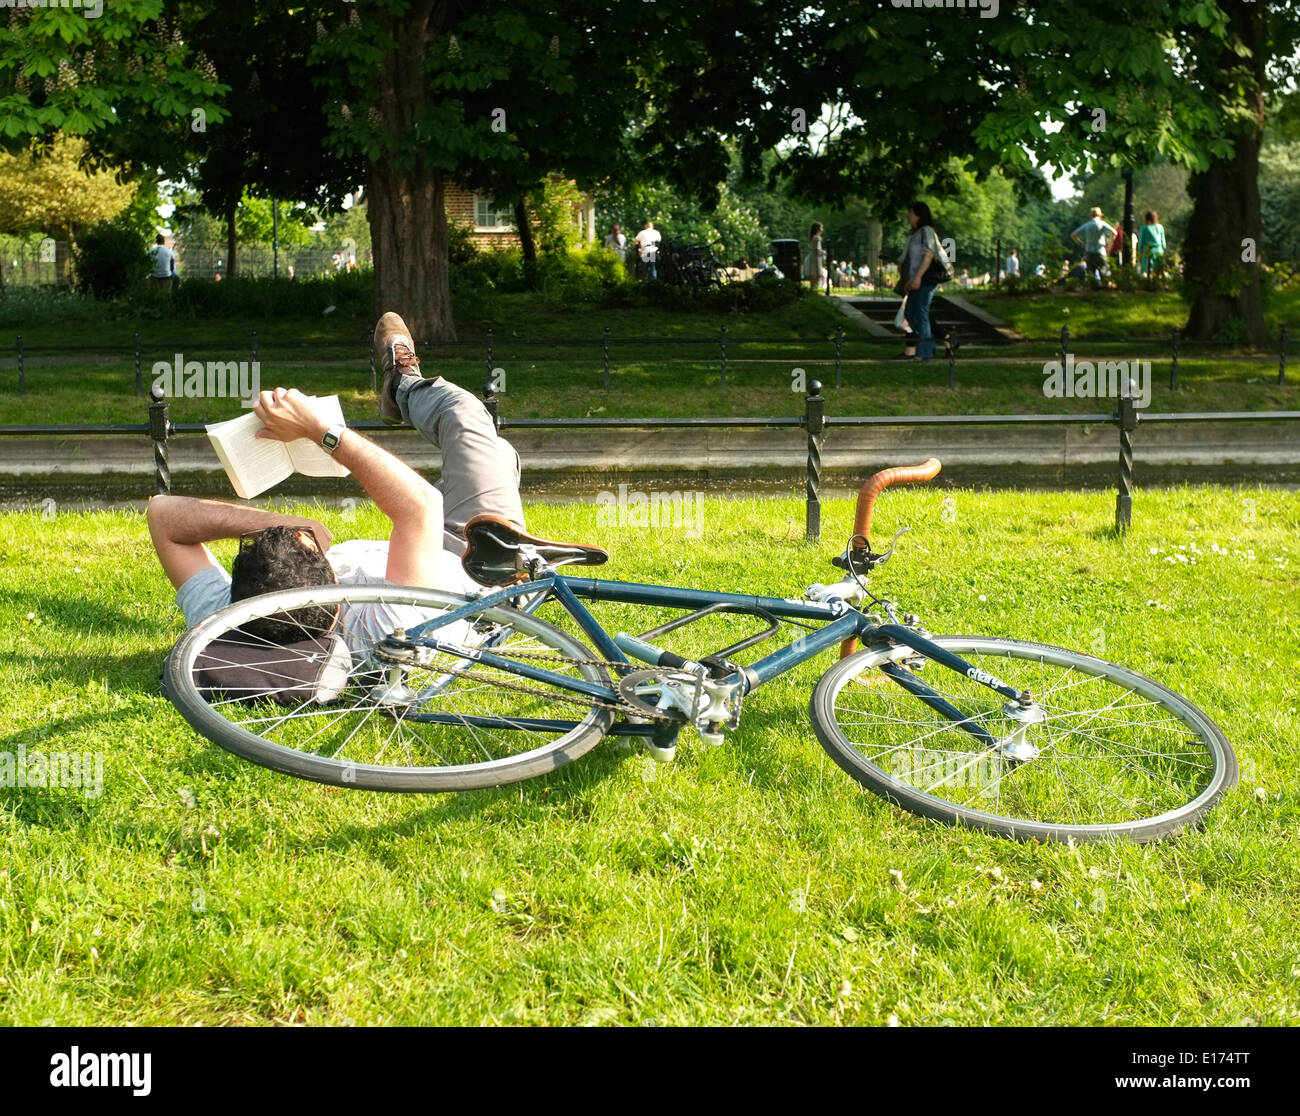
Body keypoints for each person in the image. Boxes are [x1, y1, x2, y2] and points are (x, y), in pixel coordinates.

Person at [148, 312, 527, 651]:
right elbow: (421, 505)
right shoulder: (389, 627)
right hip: (476, 558)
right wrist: (319, 430)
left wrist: (288, 528)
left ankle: (488, 452)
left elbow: (163, 515)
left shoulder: (238, 616)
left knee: (492, 451)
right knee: (466, 417)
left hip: (415, 548)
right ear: (334, 589)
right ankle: (403, 385)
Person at [897, 201, 944, 362]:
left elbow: (929, 254)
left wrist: (917, 278)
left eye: (911, 213)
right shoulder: (916, 234)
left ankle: (924, 353)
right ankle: (928, 345)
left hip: (925, 279)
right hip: (915, 280)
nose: (908, 217)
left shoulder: (927, 231)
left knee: (921, 313)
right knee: (910, 312)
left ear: (918, 215)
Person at [1071, 207, 1117, 283]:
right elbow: (1114, 233)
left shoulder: (1087, 225)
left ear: (1091, 216)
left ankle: (1091, 290)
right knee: (1104, 273)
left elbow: (1073, 235)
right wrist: (1109, 242)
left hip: (1089, 251)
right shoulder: (1102, 224)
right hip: (1100, 251)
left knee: (1090, 274)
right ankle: (1105, 289)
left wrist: (1081, 243)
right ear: (1100, 216)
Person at [1138, 210, 1167, 277]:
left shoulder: (1144, 228)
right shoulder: (1160, 227)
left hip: (1148, 252)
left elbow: (1141, 242)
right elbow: (1164, 244)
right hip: (1159, 252)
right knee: (1159, 272)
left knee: (1148, 271)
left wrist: (1139, 253)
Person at [802, 222, 827, 290]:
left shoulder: (813, 237)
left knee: (813, 276)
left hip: (812, 257)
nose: (822, 229)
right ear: (818, 229)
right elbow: (818, 249)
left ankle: (813, 290)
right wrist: (824, 252)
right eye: (821, 227)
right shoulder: (817, 238)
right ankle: (813, 290)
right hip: (815, 259)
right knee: (815, 275)